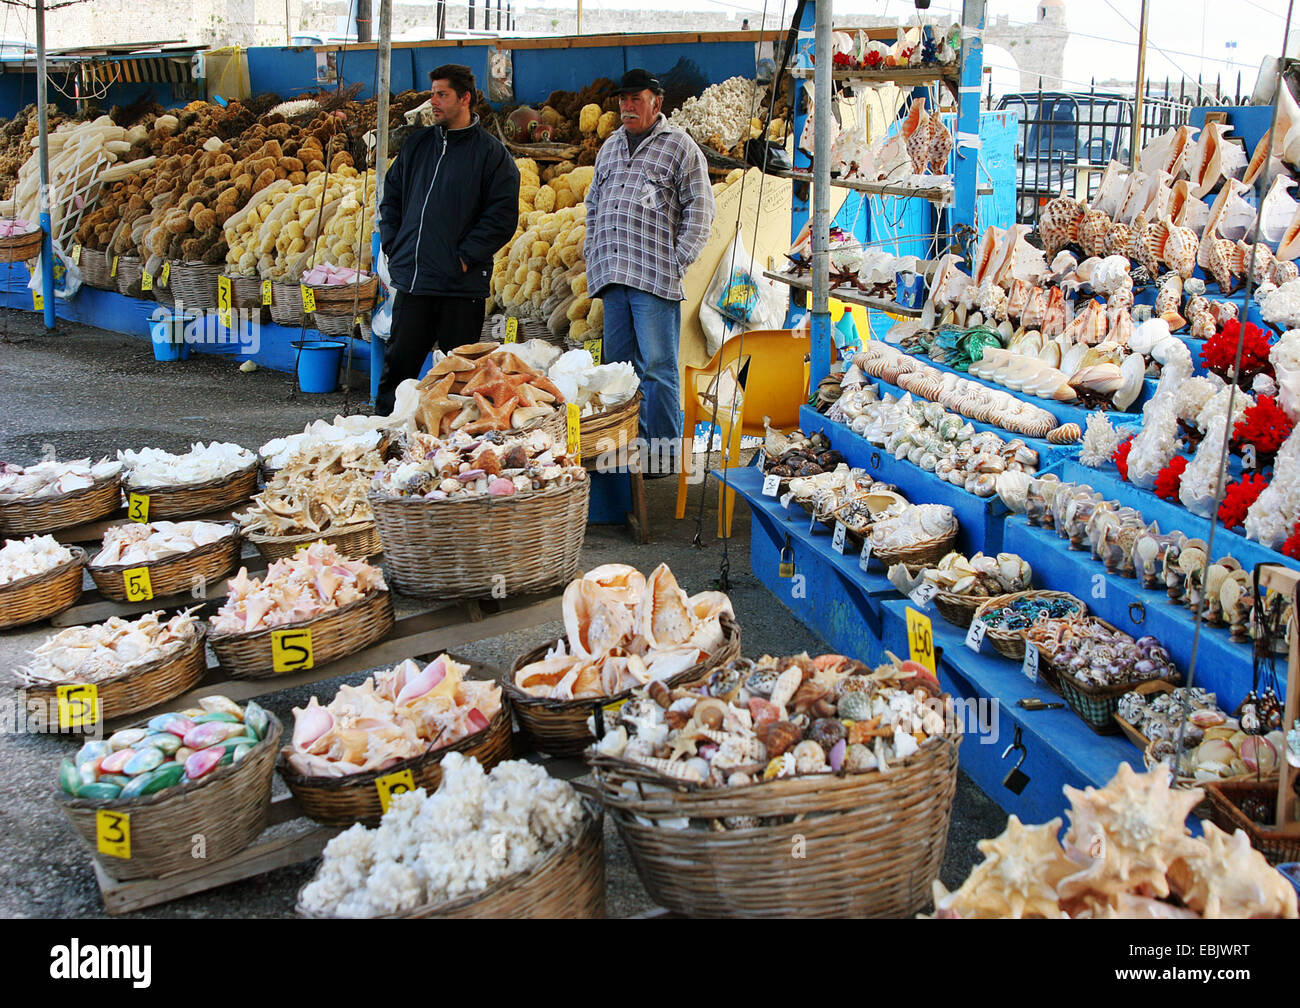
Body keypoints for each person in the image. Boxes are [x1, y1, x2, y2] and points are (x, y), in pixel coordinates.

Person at [584, 68, 716, 474]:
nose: (626, 106)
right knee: (619, 372)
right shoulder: (609, 147)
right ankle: (624, 457)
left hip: (654, 276)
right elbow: (593, 203)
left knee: (657, 368)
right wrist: (593, 251)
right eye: (622, 100)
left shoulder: (679, 146)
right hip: (612, 273)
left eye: (635, 99)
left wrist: (679, 259)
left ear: (655, 103)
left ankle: (664, 458)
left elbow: (701, 206)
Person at [375, 64, 520, 414]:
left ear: (464, 98)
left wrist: (465, 257)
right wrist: (395, 245)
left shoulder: (492, 156)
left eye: (442, 95)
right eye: (433, 93)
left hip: (460, 286)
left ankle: (457, 453)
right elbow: (391, 197)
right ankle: (382, 435)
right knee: (399, 372)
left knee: (462, 377)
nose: (433, 102)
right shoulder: (418, 146)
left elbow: (501, 217)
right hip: (414, 281)